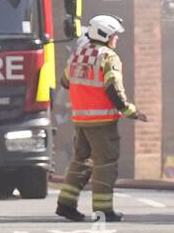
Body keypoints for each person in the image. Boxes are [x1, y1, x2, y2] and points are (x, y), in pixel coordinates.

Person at [57, 14, 144, 222]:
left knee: (80, 162)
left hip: (80, 121)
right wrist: (129, 110)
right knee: (105, 164)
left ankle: (66, 204)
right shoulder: (108, 57)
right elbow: (113, 87)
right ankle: (103, 211)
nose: (116, 39)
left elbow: (65, 82)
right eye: (114, 35)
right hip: (102, 122)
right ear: (105, 34)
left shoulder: (77, 55)